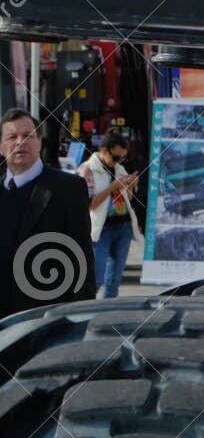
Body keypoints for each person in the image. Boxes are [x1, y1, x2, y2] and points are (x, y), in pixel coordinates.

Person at [0, 109, 94, 319]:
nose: (20, 142)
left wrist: (80, 318)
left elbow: (82, 258)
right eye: (12, 137)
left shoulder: (68, 188)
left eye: (28, 135)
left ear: (39, 142)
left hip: (46, 317)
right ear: (1, 147)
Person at [78, 130, 141, 298]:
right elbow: (89, 204)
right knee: (96, 278)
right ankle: (84, 309)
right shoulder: (87, 170)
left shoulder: (120, 169)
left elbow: (128, 198)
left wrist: (131, 186)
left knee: (114, 280)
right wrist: (112, 187)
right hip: (101, 230)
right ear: (104, 151)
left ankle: (107, 312)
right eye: (116, 157)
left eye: (122, 158)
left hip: (123, 227)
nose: (118, 161)